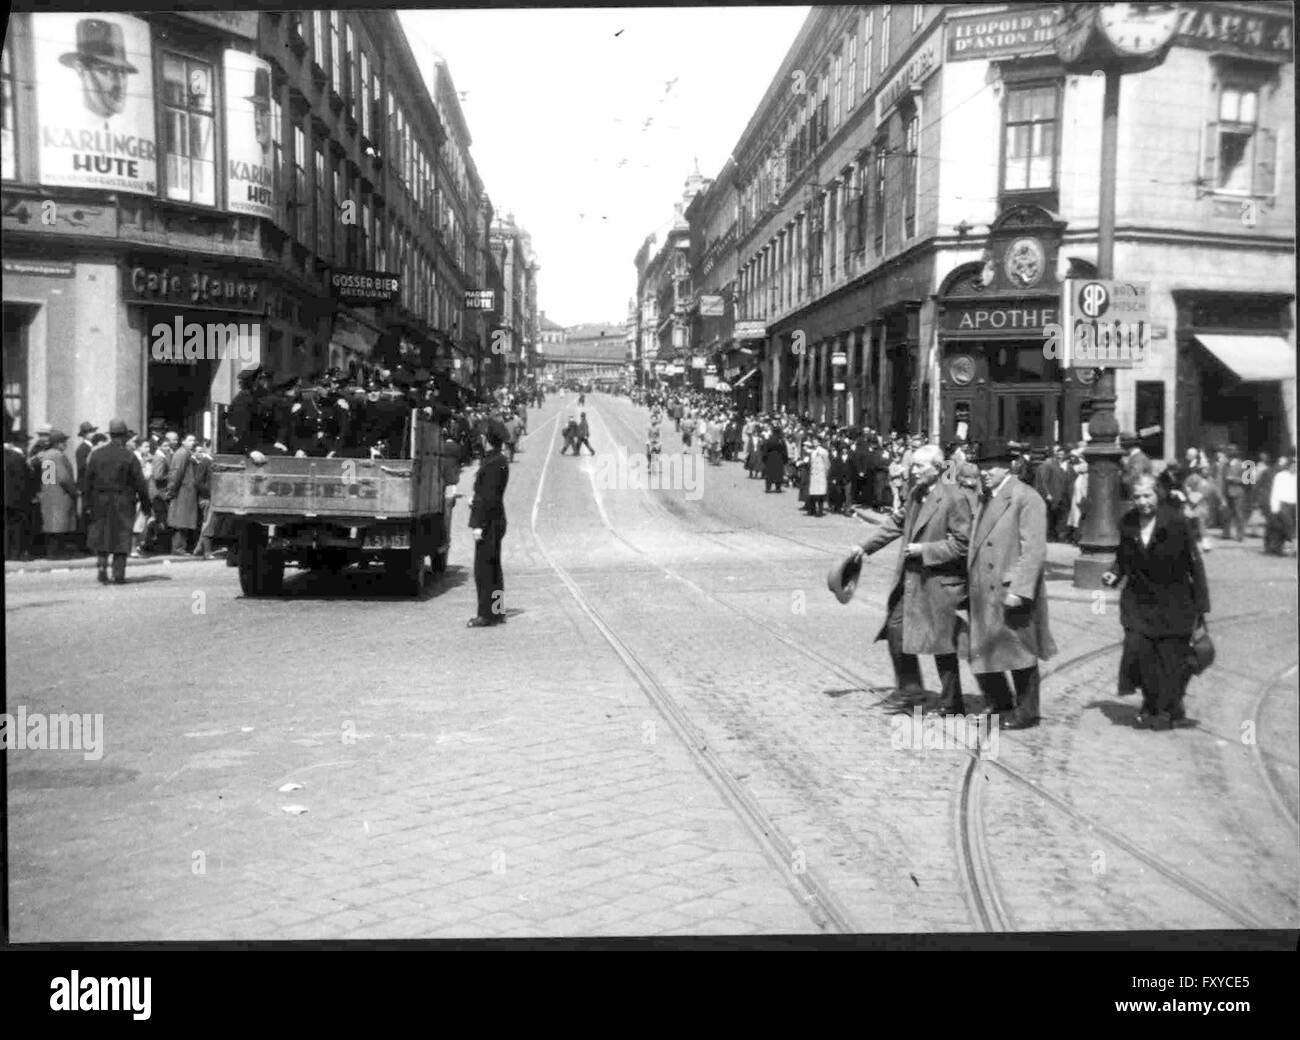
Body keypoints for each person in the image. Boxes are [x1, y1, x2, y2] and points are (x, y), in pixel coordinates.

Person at [852, 444, 972, 715]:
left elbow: (963, 544)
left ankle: (953, 702)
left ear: (939, 468)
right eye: (913, 465)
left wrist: (924, 550)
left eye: (919, 466)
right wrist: (864, 547)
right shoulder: (916, 493)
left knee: (942, 642)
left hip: (940, 581)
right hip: (912, 580)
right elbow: (895, 524)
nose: (912, 470)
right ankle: (911, 689)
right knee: (895, 628)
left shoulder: (955, 498)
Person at [1102, 474, 1211, 730]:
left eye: (1147, 495)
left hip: (1174, 602)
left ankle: (1163, 710)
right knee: (1139, 653)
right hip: (1139, 602)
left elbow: (1195, 565)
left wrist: (1201, 608)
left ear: (1157, 495)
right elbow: (1123, 557)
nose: (1142, 502)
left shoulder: (1176, 522)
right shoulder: (1128, 522)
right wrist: (1114, 573)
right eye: (1137, 497)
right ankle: (1154, 703)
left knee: (1169, 660)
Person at [967, 441, 1057, 730]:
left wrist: (1020, 589)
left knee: (1020, 651)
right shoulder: (986, 497)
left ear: (1008, 466)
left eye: (990, 467)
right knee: (983, 648)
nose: (984, 473)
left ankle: (1027, 711)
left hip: (1008, 589)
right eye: (981, 467)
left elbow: (1034, 550)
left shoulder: (1025, 497)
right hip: (983, 586)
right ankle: (1001, 703)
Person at [85, 419, 153, 584]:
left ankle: (102, 564)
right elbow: (140, 484)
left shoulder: (96, 454)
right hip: (123, 501)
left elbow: (88, 481)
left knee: (102, 534)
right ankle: (118, 573)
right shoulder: (129, 456)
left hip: (100, 500)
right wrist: (146, 506)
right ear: (123, 436)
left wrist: (88, 503)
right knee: (121, 536)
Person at [468, 420, 510, 628]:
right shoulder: (498, 460)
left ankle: (485, 614)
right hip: (496, 518)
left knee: (483, 570)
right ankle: (498, 610)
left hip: (489, 521)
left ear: (487, 440)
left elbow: (488, 497)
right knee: (494, 568)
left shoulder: (493, 463)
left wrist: (478, 524)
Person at [35, 428, 79, 558]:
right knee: (60, 527)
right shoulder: (58, 456)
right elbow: (64, 477)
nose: (65, 444)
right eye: (63, 441)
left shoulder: (45, 455)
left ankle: (51, 552)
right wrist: (74, 491)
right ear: (58, 443)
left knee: (50, 526)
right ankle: (57, 554)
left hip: (48, 492)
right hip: (60, 495)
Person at [164, 432, 200, 555]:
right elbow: (176, 473)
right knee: (181, 521)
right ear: (183, 441)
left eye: (194, 440)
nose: (193, 443)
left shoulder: (186, 453)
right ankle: (178, 548)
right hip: (182, 492)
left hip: (185, 491)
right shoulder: (182, 453)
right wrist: (171, 490)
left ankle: (180, 548)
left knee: (183, 521)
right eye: (190, 440)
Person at [4, 428, 33, 559]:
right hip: (15, 499)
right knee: (16, 528)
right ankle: (14, 554)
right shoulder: (17, 458)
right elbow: (24, 479)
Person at [1266, 455, 1296, 555]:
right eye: (1293, 465)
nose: (1294, 467)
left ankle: (1286, 547)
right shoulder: (1281, 476)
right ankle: (1290, 547)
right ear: (1289, 466)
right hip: (1284, 505)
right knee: (1288, 526)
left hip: (1294, 505)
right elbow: (1275, 492)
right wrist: (1274, 507)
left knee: (1290, 527)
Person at [806, 437, 830, 517]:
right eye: (813, 441)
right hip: (814, 475)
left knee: (820, 494)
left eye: (816, 442)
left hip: (821, 474)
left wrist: (826, 473)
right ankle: (812, 510)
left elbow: (827, 464)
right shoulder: (813, 452)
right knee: (813, 493)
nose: (814, 443)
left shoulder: (823, 452)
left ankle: (820, 511)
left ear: (819, 443)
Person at [762, 427, 787, 493]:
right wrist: (785, 459)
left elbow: (765, 449)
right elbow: (784, 451)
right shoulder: (781, 440)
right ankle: (778, 488)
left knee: (769, 474)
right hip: (779, 458)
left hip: (770, 458)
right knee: (778, 473)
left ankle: (768, 488)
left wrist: (764, 458)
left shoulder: (769, 440)